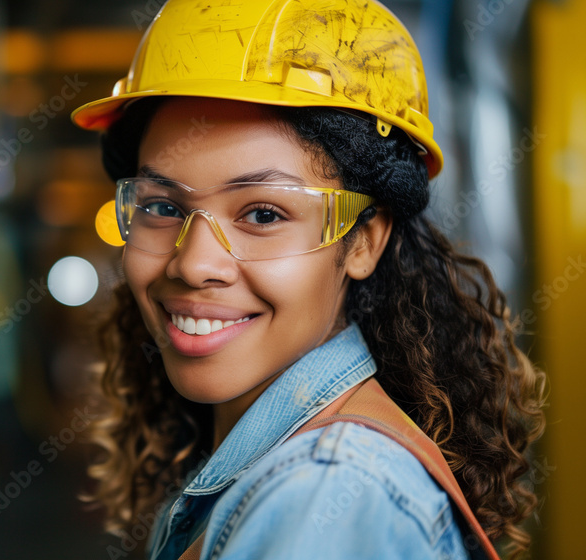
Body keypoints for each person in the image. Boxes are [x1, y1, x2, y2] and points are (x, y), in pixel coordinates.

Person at [70, 0, 548, 559]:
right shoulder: (290, 467)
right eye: (162, 207)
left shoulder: (325, 495)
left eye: (264, 214)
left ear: (364, 241)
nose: (193, 263)